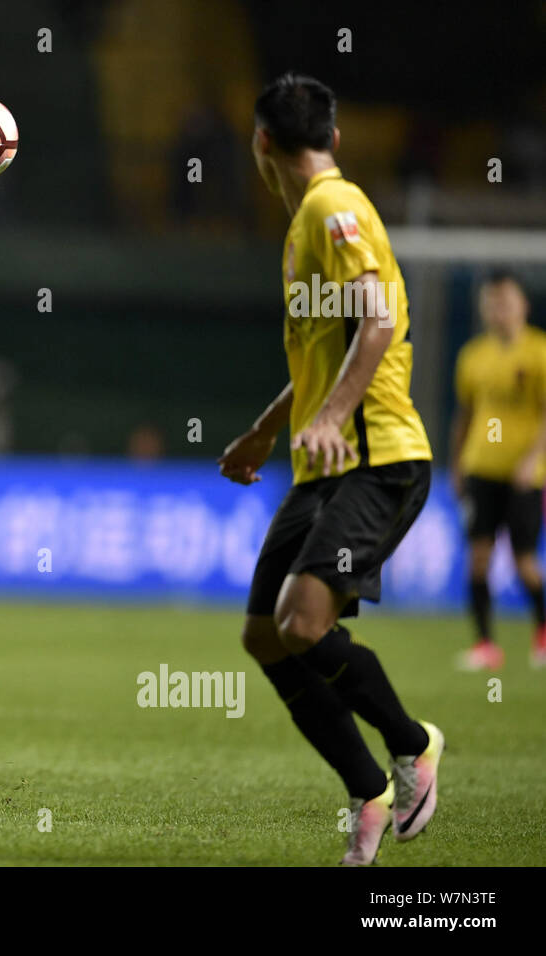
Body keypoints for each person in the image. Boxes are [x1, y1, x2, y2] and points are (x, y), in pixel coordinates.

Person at [218, 73, 444, 865]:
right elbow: (329, 348)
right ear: (336, 137)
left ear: (262, 145)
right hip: (329, 464)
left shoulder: (332, 208)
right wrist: (262, 431)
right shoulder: (306, 224)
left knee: (303, 623)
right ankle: (368, 791)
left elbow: (378, 321)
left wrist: (331, 415)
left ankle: (413, 747)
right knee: (265, 636)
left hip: (378, 456)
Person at [451, 271, 546, 670]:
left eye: (505, 302)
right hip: (481, 470)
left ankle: (542, 634)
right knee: (478, 557)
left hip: (525, 475)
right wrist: (457, 465)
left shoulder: (540, 352)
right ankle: (485, 645)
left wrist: (533, 459)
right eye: (491, 303)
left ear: (523, 305)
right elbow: (467, 415)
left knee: (524, 561)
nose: (499, 310)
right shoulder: (473, 356)